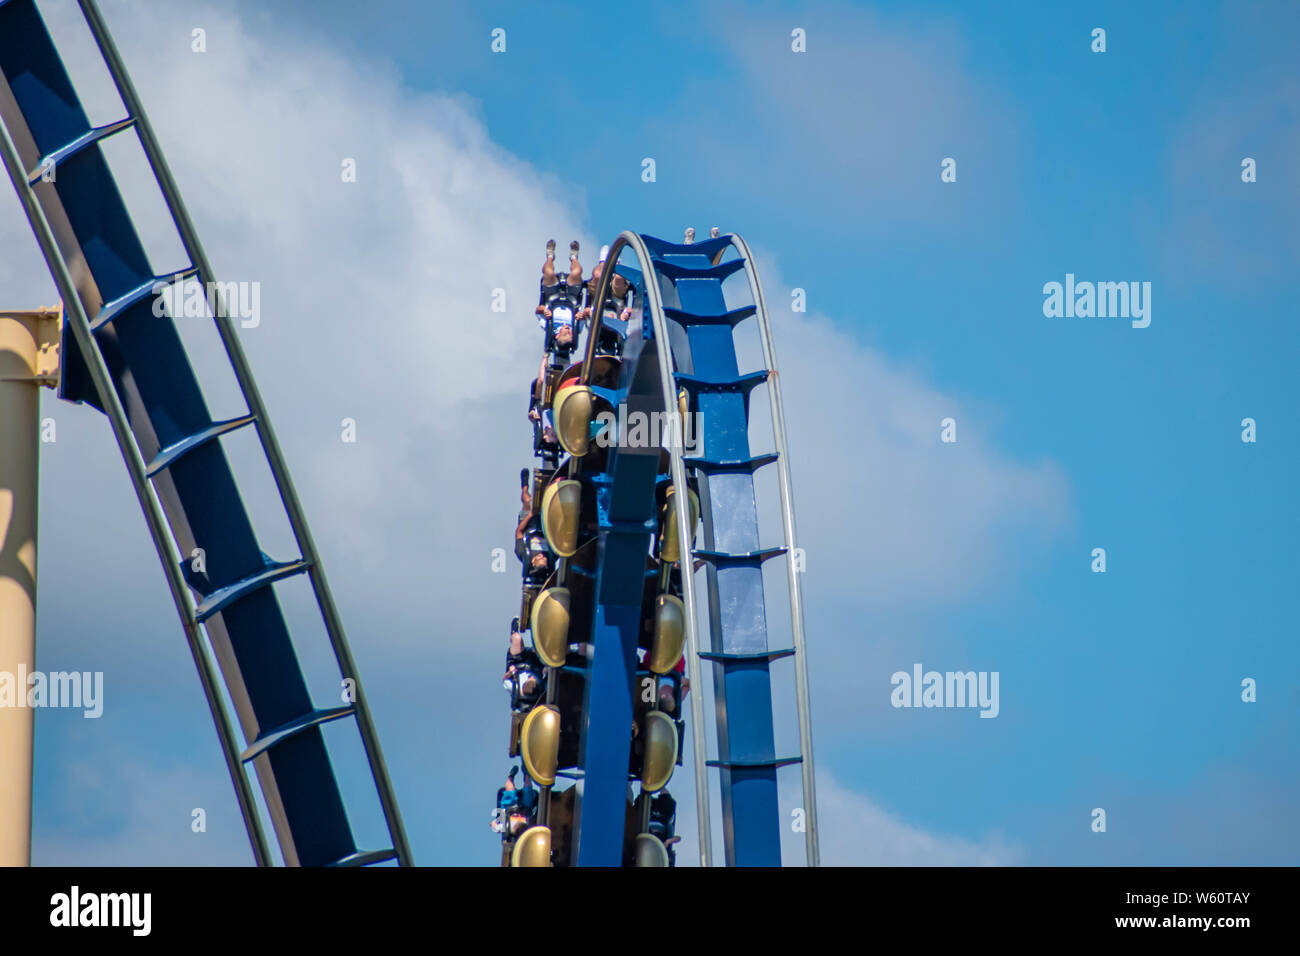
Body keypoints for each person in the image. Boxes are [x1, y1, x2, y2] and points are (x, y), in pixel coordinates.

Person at [536, 239, 585, 356]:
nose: (568, 330)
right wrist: (581, 315)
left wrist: (544, 310)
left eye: (565, 333)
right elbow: (584, 313)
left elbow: (538, 310)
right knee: (577, 272)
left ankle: (550, 256)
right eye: (570, 334)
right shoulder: (577, 328)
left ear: (557, 335)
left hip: (552, 295)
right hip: (571, 297)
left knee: (548, 273)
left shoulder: (547, 325)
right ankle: (574, 257)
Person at [503, 618, 545, 710]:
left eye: (530, 680)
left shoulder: (513, 687)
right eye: (533, 680)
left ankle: (514, 631)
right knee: (541, 648)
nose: (531, 678)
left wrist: (511, 671)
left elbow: (505, 679)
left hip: (519, 663)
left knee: (517, 639)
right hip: (537, 666)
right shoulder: (541, 685)